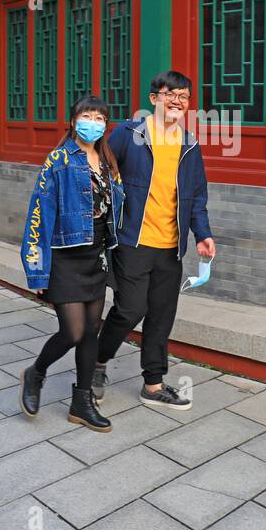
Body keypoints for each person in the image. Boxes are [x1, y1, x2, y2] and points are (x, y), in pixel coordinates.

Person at [92, 70, 216, 410]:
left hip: (171, 247)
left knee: (162, 314)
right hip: (133, 241)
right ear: (153, 99)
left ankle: (153, 383)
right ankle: (97, 363)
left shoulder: (189, 144)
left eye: (184, 97)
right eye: (170, 94)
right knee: (130, 308)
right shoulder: (129, 135)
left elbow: (196, 194)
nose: (177, 101)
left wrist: (202, 233)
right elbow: (101, 167)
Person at [19, 95, 125, 432]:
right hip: (65, 256)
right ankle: (35, 373)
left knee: (91, 332)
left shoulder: (108, 161)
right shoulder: (59, 160)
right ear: (73, 120)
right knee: (73, 331)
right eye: (86, 115)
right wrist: (36, 267)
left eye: (99, 117)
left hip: (96, 257)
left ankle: (82, 402)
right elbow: (39, 213)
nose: (92, 122)